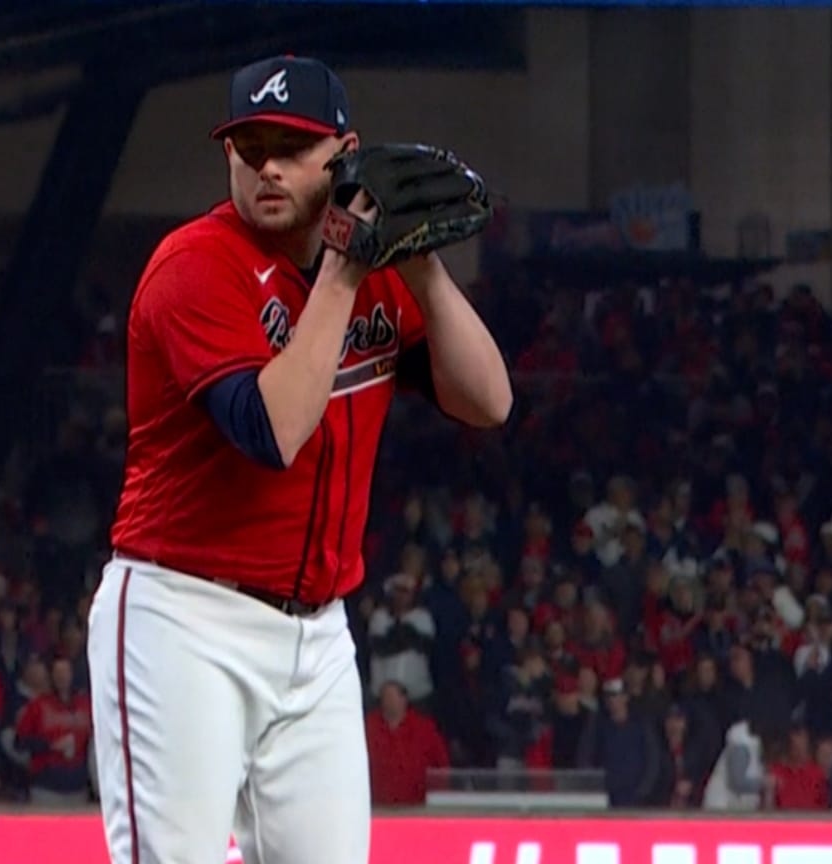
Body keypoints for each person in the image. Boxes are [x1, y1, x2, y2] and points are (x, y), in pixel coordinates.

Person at [86, 54, 511, 864]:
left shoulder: (380, 273)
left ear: (344, 154)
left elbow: (488, 401)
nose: (269, 166)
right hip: (184, 617)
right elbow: (273, 432)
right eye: (250, 147)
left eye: (294, 145)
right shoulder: (194, 266)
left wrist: (419, 259)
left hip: (317, 634)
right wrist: (350, 267)